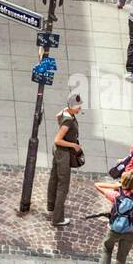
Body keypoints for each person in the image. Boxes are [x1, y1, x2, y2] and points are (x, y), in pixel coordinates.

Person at [46, 94, 82, 228]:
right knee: (63, 186)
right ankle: (57, 218)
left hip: (58, 152)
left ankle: (51, 206)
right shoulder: (68, 121)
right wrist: (73, 145)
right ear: (71, 107)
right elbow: (58, 139)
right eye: (78, 106)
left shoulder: (65, 113)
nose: (80, 108)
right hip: (63, 154)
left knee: (54, 178)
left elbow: (57, 116)